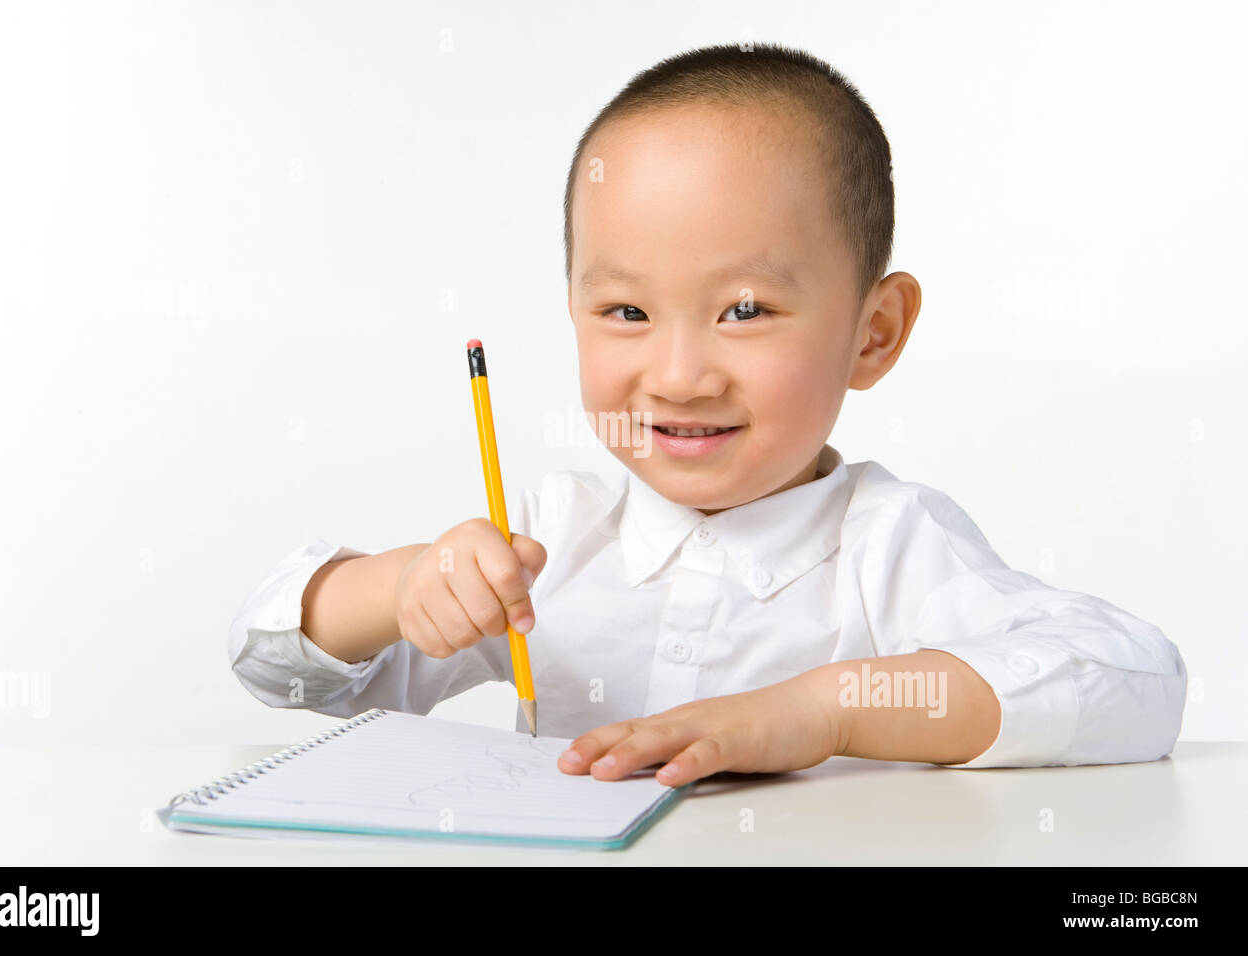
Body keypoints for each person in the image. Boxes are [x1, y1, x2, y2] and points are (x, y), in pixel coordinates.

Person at [228, 42, 1185, 787]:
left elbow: (1130, 682)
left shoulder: (891, 548)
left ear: (874, 334)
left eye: (745, 311)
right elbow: (272, 663)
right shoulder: (551, 545)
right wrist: (400, 588)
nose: (679, 376)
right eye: (627, 313)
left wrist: (824, 711)